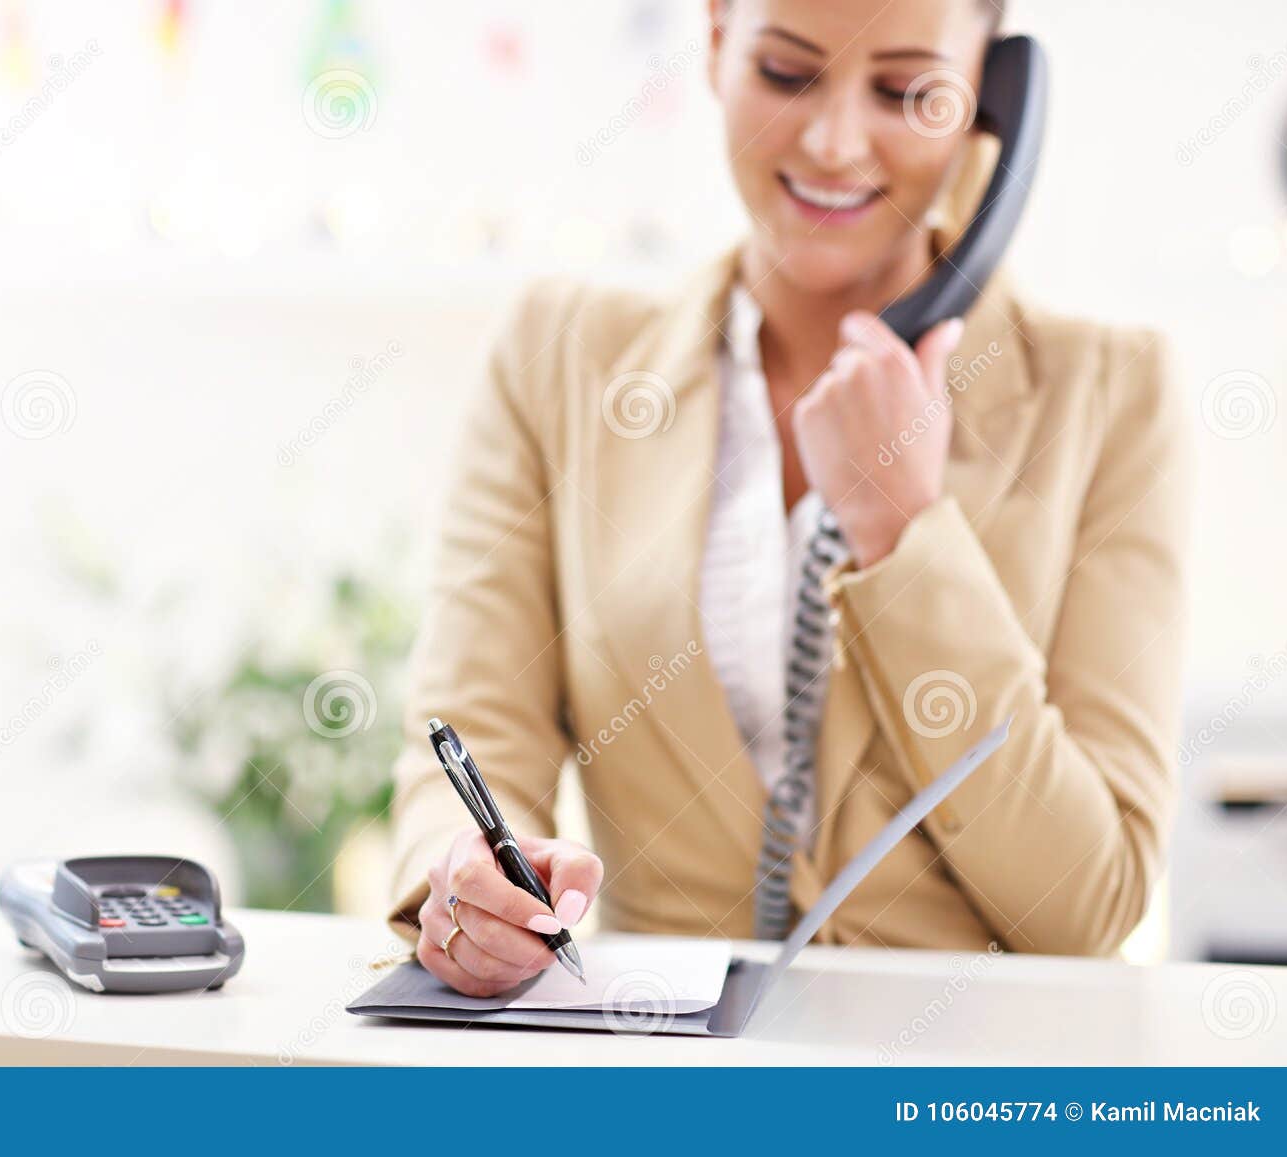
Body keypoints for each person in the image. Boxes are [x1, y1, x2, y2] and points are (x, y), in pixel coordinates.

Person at [387, 0, 1190, 997]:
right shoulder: (560, 355)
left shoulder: (1109, 391)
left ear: (994, 96)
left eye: (905, 90)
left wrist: (903, 532)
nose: (832, 139)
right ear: (717, 42)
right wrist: (468, 878)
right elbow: (473, 738)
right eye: (786, 71)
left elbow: (1092, 900)